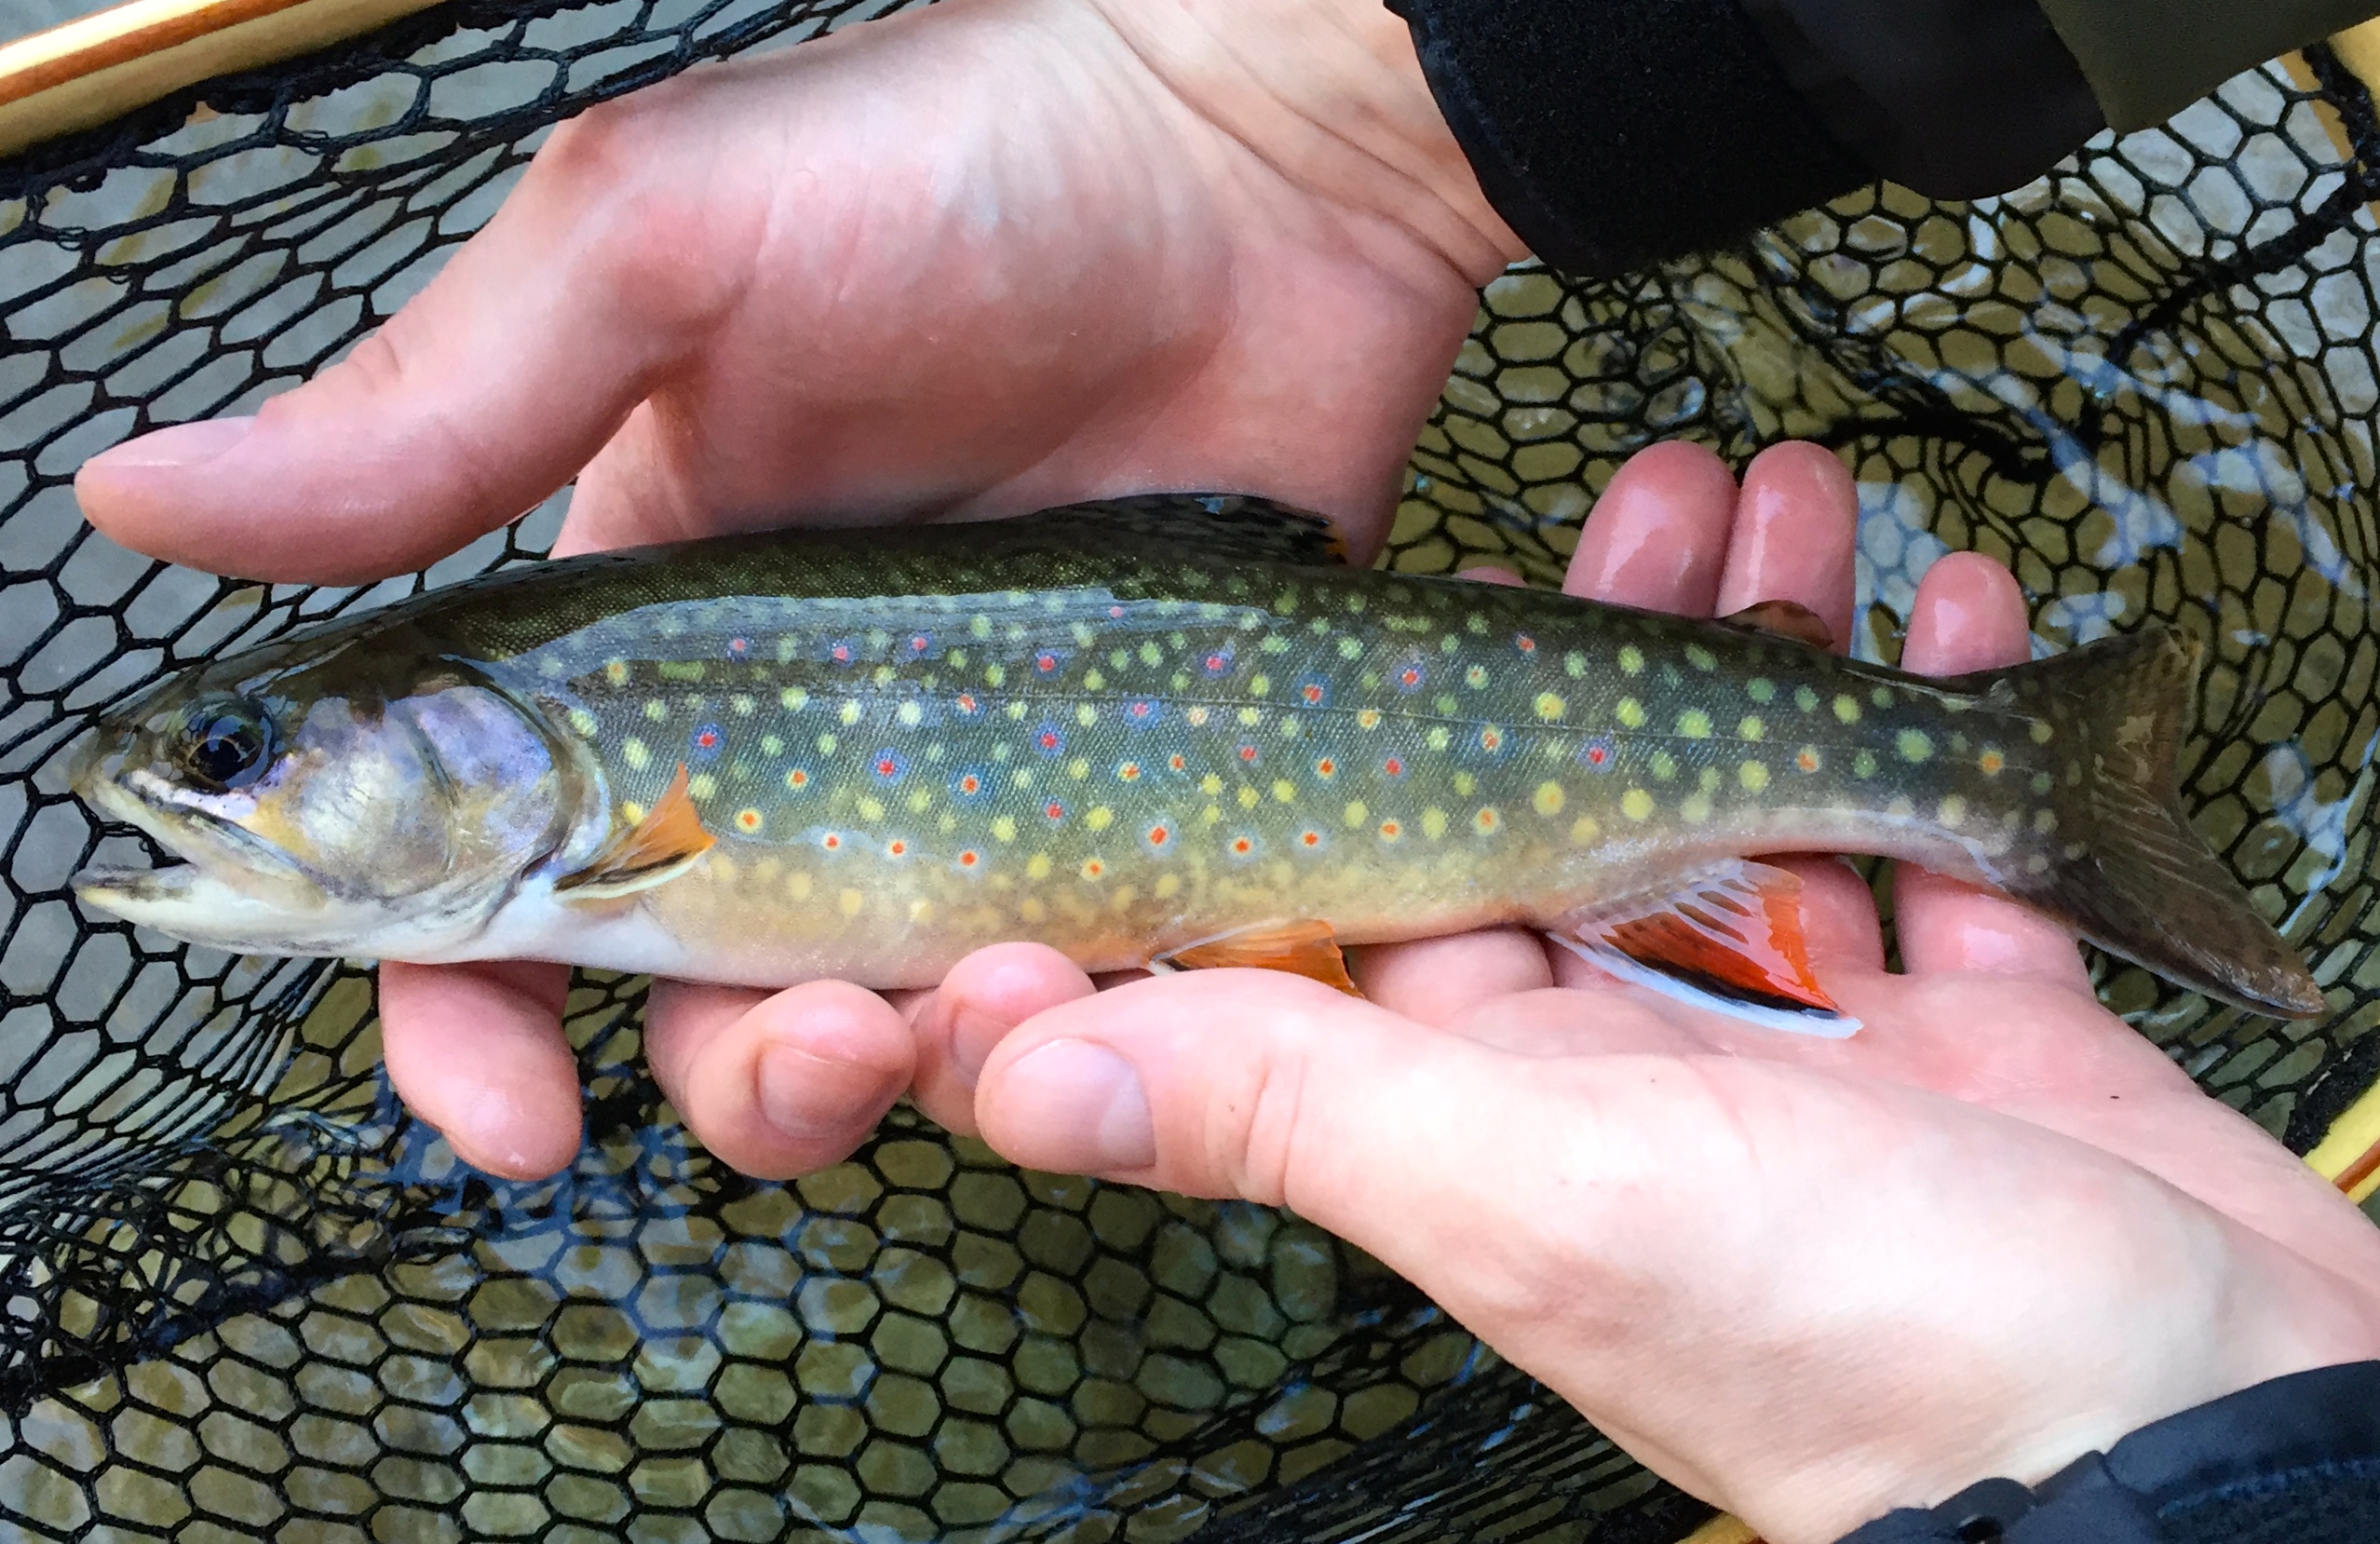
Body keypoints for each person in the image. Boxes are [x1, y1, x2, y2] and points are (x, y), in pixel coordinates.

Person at [71, 0, 2380, 1537]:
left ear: (494, 753)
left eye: (242, 754)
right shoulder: (604, 765)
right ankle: (1990, 771)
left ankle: (1996, 776)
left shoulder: (637, 826)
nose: (200, 790)